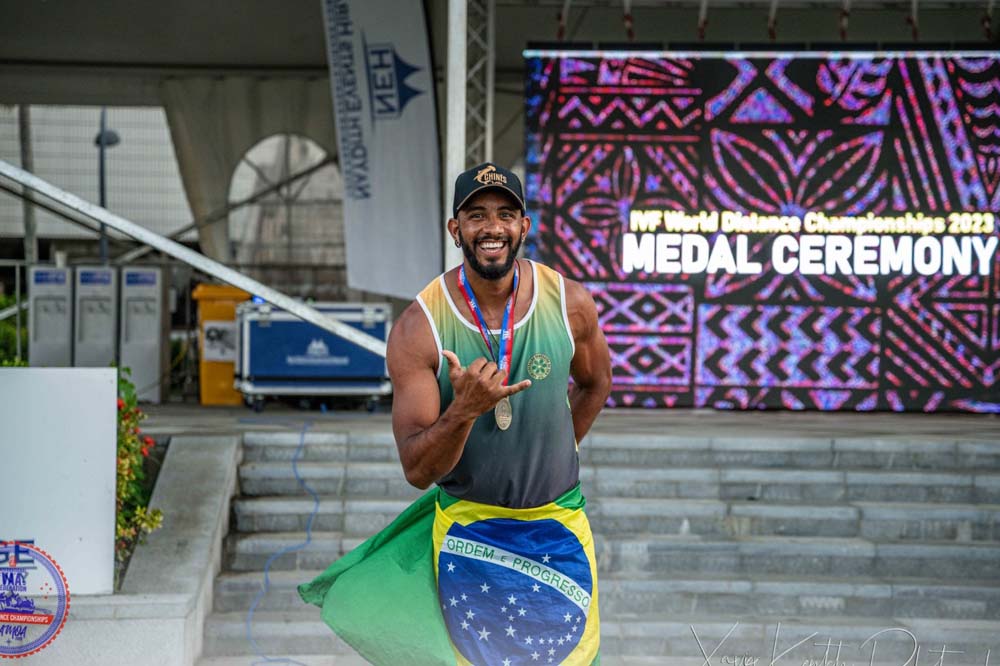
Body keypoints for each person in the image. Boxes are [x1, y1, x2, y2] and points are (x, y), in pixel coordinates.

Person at [300, 162, 611, 666]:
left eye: (506, 214)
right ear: (455, 229)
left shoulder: (569, 303)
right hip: (472, 533)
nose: (492, 227)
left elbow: (596, 383)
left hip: (558, 526)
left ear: (524, 226)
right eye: (477, 216)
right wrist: (462, 412)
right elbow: (417, 471)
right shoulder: (419, 328)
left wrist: (555, 446)